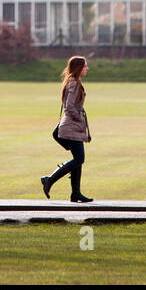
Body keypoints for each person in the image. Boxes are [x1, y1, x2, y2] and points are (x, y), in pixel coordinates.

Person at [41, 55, 92, 203]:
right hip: (71, 127)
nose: (87, 68)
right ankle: (49, 180)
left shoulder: (72, 82)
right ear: (78, 68)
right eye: (85, 66)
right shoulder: (74, 84)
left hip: (72, 128)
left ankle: (76, 193)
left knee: (77, 160)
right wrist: (78, 117)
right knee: (79, 159)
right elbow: (69, 107)